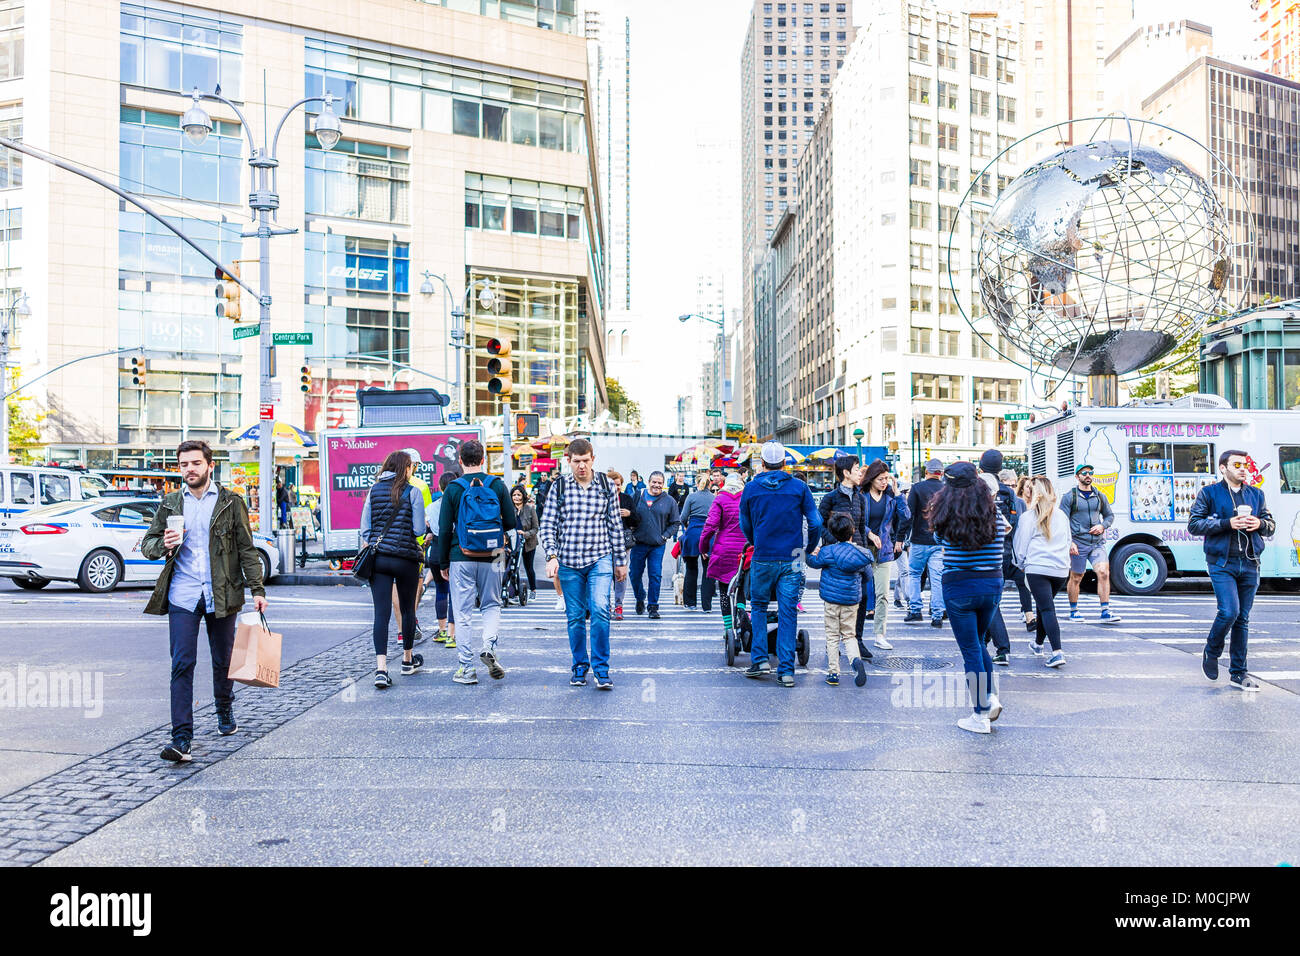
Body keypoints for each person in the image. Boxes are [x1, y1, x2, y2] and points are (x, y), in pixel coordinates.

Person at [142, 440, 267, 762]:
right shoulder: (171, 503)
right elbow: (148, 544)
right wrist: (164, 545)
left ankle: (224, 707)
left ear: (210, 465)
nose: (189, 470)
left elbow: (247, 550)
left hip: (221, 592)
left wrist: (258, 590)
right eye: (183, 465)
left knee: (223, 661)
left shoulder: (230, 502)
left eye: (195, 463)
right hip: (182, 594)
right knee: (182, 663)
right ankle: (181, 737)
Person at [537, 439, 628, 689]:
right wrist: (552, 555)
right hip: (568, 561)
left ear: (593, 459)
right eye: (576, 461)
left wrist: (620, 561)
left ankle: (601, 668)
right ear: (568, 461)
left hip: (600, 558)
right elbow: (548, 525)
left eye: (585, 461)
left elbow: (614, 526)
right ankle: (579, 666)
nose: (581, 466)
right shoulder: (560, 487)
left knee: (599, 608)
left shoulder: (606, 485)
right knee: (575, 616)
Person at [929, 461, 1007, 734]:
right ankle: (991, 698)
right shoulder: (994, 512)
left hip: (959, 585)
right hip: (992, 584)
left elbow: (940, 543)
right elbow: (1003, 537)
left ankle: (980, 713)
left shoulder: (945, 514)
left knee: (971, 649)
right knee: (979, 644)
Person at [738, 441, 824, 687]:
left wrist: (755, 540)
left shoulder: (752, 488)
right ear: (785, 463)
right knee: (789, 611)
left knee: (759, 607)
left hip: (763, 553)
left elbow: (745, 523)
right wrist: (807, 549)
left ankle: (760, 660)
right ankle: (786, 671)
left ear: (762, 463)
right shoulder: (799, 487)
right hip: (794, 555)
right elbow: (815, 522)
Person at [1189, 449, 1276, 691]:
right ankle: (1212, 650)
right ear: (1223, 468)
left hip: (1250, 562)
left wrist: (1260, 523)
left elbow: (1270, 525)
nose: (1243, 468)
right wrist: (1227, 523)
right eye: (1236, 464)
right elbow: (1194, 524)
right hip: (1221, 563)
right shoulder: (1209, 493)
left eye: (1245, 464)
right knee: (1229, 612)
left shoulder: (1256, 495)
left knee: (1243, 618)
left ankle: (1238, 673)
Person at [437, 439, 516, 685]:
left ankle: (466, 668)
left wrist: (443, 562)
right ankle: (489, 646)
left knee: (462, 612)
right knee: (492, 604)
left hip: (462, 555)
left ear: (460, 461)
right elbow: (512, 523)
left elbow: (444, 529)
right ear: (484, 460)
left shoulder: (453, 488)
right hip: (494, 554)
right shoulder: (497, 484)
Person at [807, 512, 874, 687]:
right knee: (849, 635)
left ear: (832, 532)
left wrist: (809, 553)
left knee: (832, 636)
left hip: (831, 601)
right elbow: (868, 576)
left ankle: (833, 673)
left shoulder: (828, 551)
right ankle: (855, 660)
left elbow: (813, 563)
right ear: (852, 530)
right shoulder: (861, 554)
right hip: (851, 601)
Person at [1013, 476, 1072, 668]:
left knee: (1046, 609)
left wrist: (1020, 563)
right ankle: (1038, 644)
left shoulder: (1028, 517)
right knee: (1043, 606)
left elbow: (1020, 545)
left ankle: (1057, 651)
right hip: (1061, 569)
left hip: (1037, 567)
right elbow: (1068, 541)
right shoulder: (1061, 515)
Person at [817, 455, 873, 659]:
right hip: (836, 555)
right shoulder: (830, 498)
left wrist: (864, 552)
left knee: (862, 596)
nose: (860, 472)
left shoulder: (860, 498)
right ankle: (833, 642)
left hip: (857, 554)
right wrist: (834, 542)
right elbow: (819, 524)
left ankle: (856, 639)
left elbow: (860, 527)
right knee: (836, 601)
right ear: (846, 473)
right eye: (856, 468)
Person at [1060, 462, 1121, 624]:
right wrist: (1069, 542)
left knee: (1103, 572)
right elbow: (1062, 521)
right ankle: (1074, 610)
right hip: (1077, 543)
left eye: (1090, 473)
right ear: (1077, 476)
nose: (1088, 475)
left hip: (1097, 543)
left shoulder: (1100, 496)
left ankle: (1105, 611)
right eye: (1084, 473)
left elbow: (1109, 516)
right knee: (1077, 577)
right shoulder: (1069, 497)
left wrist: (1102, 525)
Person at [862, 459, 911, 651]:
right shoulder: (862, 496)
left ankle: (879, 635)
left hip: (883, 550)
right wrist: (869, 533)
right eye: (880, 479)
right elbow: (855, 520)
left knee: (883, 594)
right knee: (861, 594)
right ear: (872, 478)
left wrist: (898, 494)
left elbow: (906, 516)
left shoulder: (891, 496)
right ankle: (850, 635)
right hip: (862, 549)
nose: (884, 482)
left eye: (886, 479)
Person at [977, 449, 1021, 664]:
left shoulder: (978, 488)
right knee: (992, 600)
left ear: (981, 466)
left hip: (982, 553)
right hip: (1002, 550)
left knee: (991, 603)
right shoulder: (1009, 492)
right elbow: (1015, 524)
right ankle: (985, 642)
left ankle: (1002, 647)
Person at [699, 472, 748, 645]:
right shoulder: (747, 497)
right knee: (741, 587)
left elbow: (710, 526)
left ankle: (728, 628)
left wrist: (703, 547)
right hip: (745, 550)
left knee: (724, 590)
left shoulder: (720, 499)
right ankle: (741, 616)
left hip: (724, 550)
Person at [394, 447, 434, 643]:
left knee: (395, 588)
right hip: (414, 545)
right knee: (416, 584)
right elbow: (425, 518)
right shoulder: (420, 485)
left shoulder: (385, 484)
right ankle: (411, 619)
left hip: (389, 546)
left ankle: (402, 629)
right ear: (414, 465)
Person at [629, 471, 681, 619]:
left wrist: (664, 536)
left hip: (657, 545)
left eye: (659, 483)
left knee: (655, 575)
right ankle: (640, 597)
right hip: (638, 544)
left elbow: (675, 522)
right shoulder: (638, 496)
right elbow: (630, 515)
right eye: (654, 482)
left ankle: (653, 606)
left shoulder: (669, 501)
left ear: (663, 484)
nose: (656, 485)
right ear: (648, 482)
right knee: (634, 574)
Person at [905, 458, 947, 628]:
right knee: (937, 578)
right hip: (940, 541)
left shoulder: (917, 488)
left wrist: (902, 537)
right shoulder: (946, 489)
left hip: (919, 539)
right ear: (941, 473)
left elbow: (909, 516)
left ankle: (915, 610)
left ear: (926, 472)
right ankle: (937, 615)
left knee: (914, 573)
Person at [424, 470, 459, 647]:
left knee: (440, 590)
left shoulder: (431, 507)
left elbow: (428, 527)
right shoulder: (458, 503)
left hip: (435, 552)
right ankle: (452, 636)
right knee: (455, 593)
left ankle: (442, 630)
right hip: (453, 551)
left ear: (440, 486)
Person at [605, 469, 640, 620]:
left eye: (618, 485)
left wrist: (629, 514)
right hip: (603, 542)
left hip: (623, 542)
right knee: (604, 575)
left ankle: (619, 604)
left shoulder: (626, 498)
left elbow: (638, 520)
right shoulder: (602, 498)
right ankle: (605, 605)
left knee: (621, 575)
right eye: (613, 485)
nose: (616, 487)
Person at [679, 473, 717, 611]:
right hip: (709, 535)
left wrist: (687, 526)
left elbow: (682, 517)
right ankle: (706, 605)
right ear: (710, 484)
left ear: (697, 483)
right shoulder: (714, 498)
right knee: (708, 571)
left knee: (691, 569)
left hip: (693, 534)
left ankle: (690, 603)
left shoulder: (691, 497)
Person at [512, 485, 539, 600]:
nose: (516, 497)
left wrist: (525, 533)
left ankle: (533, 589)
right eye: (514, 495)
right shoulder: (509, 510)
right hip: (514, 542)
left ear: (523, 496)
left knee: (529, 567)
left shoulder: (530, 509)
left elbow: (536, 528)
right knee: (514, 567)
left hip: (528, 543)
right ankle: (515, 591)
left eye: (519, 495)